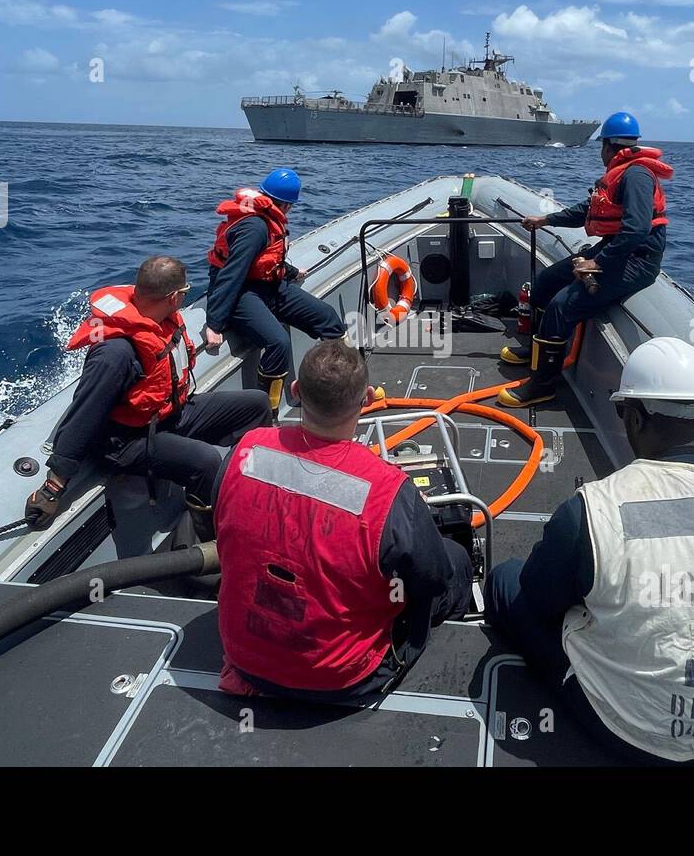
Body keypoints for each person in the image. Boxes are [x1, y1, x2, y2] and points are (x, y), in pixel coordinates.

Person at [486, 337, 694, 765]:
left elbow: (540, 600)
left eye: (623, 412)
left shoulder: (594, 509)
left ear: (635, 417)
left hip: (636, 734)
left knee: (506, 582)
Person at [213, 339, 474, 700]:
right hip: (342, 677)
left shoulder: (244, 451)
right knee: (456, 561)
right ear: (368, 398)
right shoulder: (387, 490)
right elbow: (434, 577)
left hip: (247, 661)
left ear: (295, 391)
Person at [25, 256, 271, 541]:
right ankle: (213, 541)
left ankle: (253, 486)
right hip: (127, 442)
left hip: (170, 415)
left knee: (255, 404)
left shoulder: (160, 318)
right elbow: (84, 413)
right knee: (205, 461)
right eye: (185, 291)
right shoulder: (115, 354)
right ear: (174, 297)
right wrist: (54, 485)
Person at [498, 111, 672, 407]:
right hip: (615, 247)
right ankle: (536, 349)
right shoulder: (622, 173)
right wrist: (545, 220)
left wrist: (597, 263)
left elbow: (637, 230)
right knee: (545, 282)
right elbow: (588, 211)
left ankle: (543, 385)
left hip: (636, 259)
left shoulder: (637, 176)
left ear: (607, 146)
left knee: (561, 305)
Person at [203, 168, 346, 411]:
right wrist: (214, 324)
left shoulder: (268, 219)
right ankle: (268, 413)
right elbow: (232, 273)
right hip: (242, 293)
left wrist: (291, 273)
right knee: (278, 343)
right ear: (289, 205)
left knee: (330, 320)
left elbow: (266, 260)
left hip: (268, 285)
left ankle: (337, 389)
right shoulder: (255, 227)